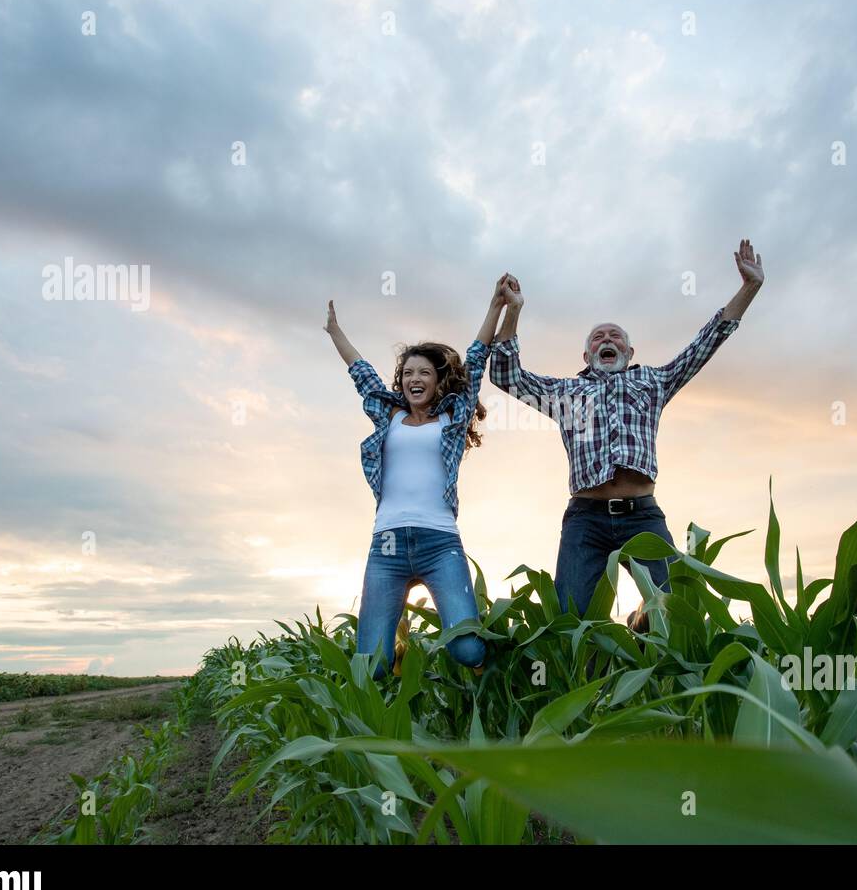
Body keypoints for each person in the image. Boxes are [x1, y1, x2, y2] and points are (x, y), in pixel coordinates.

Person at [489, 240, 766, 621]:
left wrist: (749, 287)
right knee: (572, 618)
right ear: (586, 357)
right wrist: (513, 310)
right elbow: (506, 375)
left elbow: (706, 342)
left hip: (642, 516)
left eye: (615, 335)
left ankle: (642, 625)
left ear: (630, 352)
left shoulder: (653, 382)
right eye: (598, 338)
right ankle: (590, 678)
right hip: (586, 519)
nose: (607, 339)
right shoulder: (567, 392)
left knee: (676, 611)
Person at [325, 282, 509, 678]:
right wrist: (335, 332)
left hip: (440, 542)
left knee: (465, 647)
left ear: (438, 380)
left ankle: (492, 672)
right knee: (372, 666)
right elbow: (361, 373)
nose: (414, 378)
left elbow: (476, 358)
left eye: (424, 372)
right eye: (408, 373)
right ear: (401, 381)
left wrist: (495, 304)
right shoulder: (387, 416)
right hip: (387, 544)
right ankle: (398, 648)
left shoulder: (452, 418)